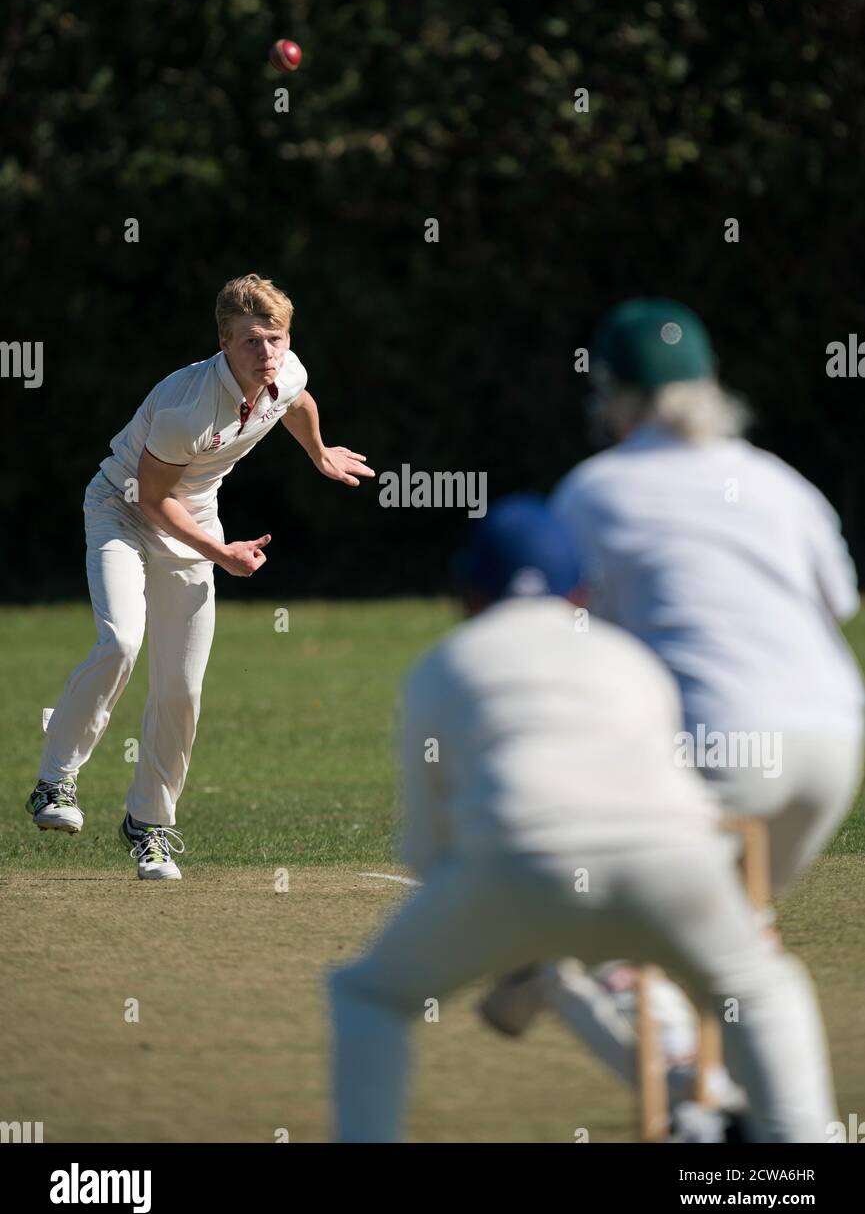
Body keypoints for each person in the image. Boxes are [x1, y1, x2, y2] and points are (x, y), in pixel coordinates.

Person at [328, 497, 837, 1142]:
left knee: (371, 996)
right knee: (761, 990)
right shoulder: (630, 657)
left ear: (468, 592)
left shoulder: (444, 665)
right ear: (581, 592)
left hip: (514, 867)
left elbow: (428, 847)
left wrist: (490, 927)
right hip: (676, 865)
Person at [482, 298, 864, 1130]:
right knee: (734, 949)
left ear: (611, 396)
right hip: (832, 745)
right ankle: (789, 1134)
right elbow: (836, 604)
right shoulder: (776, 479)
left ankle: (696, 1111)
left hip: (713, 748)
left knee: (626, 940)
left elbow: (571, 638)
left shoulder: (594, 489)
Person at [27, 273, 374, 879]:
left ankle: (150, 826)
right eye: (250, 342)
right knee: (122, 642)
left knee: (182, 690)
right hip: (123, 510)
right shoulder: (188, 404)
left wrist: (319, 453)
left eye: (276, 339)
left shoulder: (285, 372)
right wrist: (220, 553)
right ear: (224, 341)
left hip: (196, 522)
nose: (267, 354)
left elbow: (298, 403)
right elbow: (153, 499)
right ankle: (55, 781)